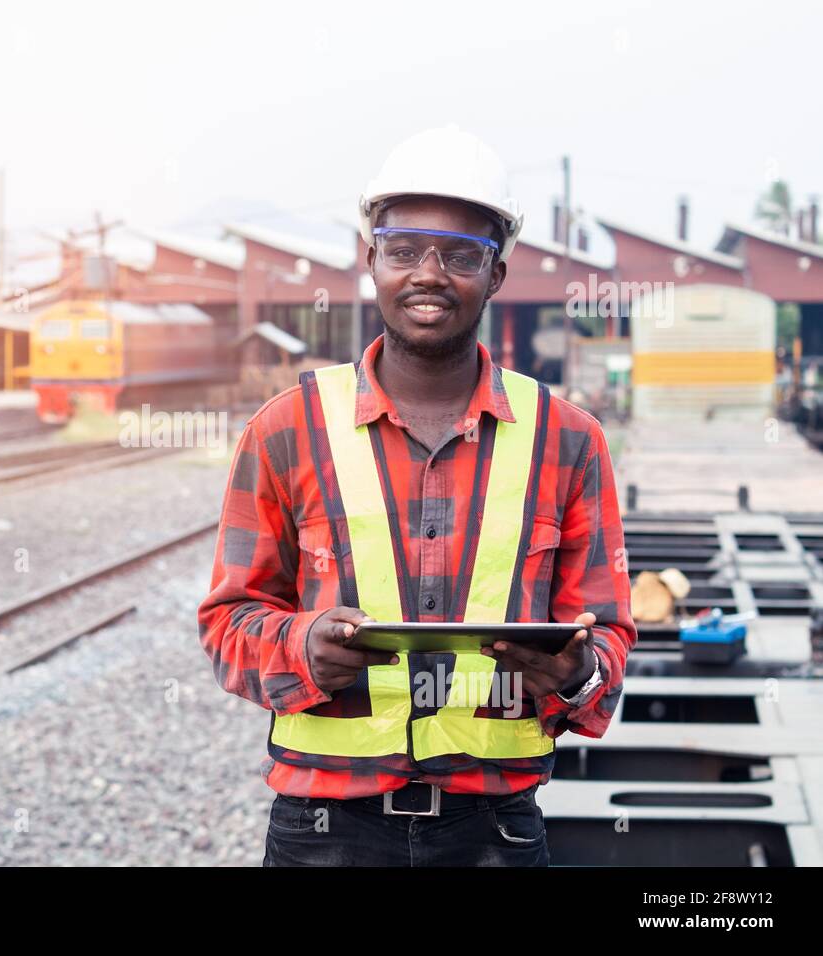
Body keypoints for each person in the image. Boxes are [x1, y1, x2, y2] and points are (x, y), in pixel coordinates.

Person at [197, 125, 636, 867]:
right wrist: (301, 648)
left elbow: (611, 640)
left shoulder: (568, 441)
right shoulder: (285, 431)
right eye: (404, 250)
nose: (428, 273)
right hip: (323, 834)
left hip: (494, 831)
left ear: (496, 274)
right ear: (371, 261)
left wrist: (575, 673)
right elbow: (226, 623)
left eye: (462, 254)